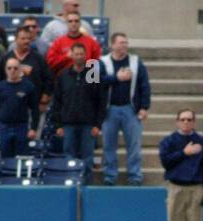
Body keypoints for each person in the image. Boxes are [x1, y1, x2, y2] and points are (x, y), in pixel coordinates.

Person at [99, 33, 150, 186]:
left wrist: (144, 107)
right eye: (121, 43)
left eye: (126, 43)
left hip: (131, 109)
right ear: (112, 45)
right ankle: (110, 176)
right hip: (109, 110)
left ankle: (135, 176)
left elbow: (145, 85)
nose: (124, 45)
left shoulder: (136, 61)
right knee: (108, 145)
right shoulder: (98, 61)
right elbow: (91, 82)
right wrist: (116, 78)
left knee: (134, 145)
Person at [52, 43, 105, 181]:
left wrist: (97, 124)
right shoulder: (63, 75)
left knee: (88, 157)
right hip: (68, 124)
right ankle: (71, 181)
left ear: (86, 56)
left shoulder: (92, 74)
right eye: (76, 54)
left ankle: (86, 184)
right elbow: (57, 101)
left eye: (82, 54)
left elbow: (100, 101)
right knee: (69, 155)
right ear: (71, 55)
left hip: (88, 124)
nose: (79, 57)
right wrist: (58, 124)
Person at [0, 58, 40, 159]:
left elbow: (35, 109)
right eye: (9, 68)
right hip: (4, 127)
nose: (12, 70)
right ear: (5, 70)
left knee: (21, 158)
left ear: (20, 69)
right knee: (5, 158)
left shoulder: (28, 86)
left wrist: (33, 128)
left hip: (22, 127)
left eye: (15, 68)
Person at [0, 24, 51, 110]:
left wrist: (45, 95)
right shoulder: (6, 58)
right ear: (16, 40)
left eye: (28, 39)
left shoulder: (38, 58)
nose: (26, 41)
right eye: (23, 39)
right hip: (10, 103)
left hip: (34, 103)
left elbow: (48, 79)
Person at [46, 12, 102, 78]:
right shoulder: (58, 43)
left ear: (80, 23)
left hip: (86, 82)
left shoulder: (92, 43)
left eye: (76, 21)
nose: (73, 23)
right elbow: (51, 64)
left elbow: (96, 66)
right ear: (66, 24)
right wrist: (66, 57)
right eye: (70, 21)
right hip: (64, 83)